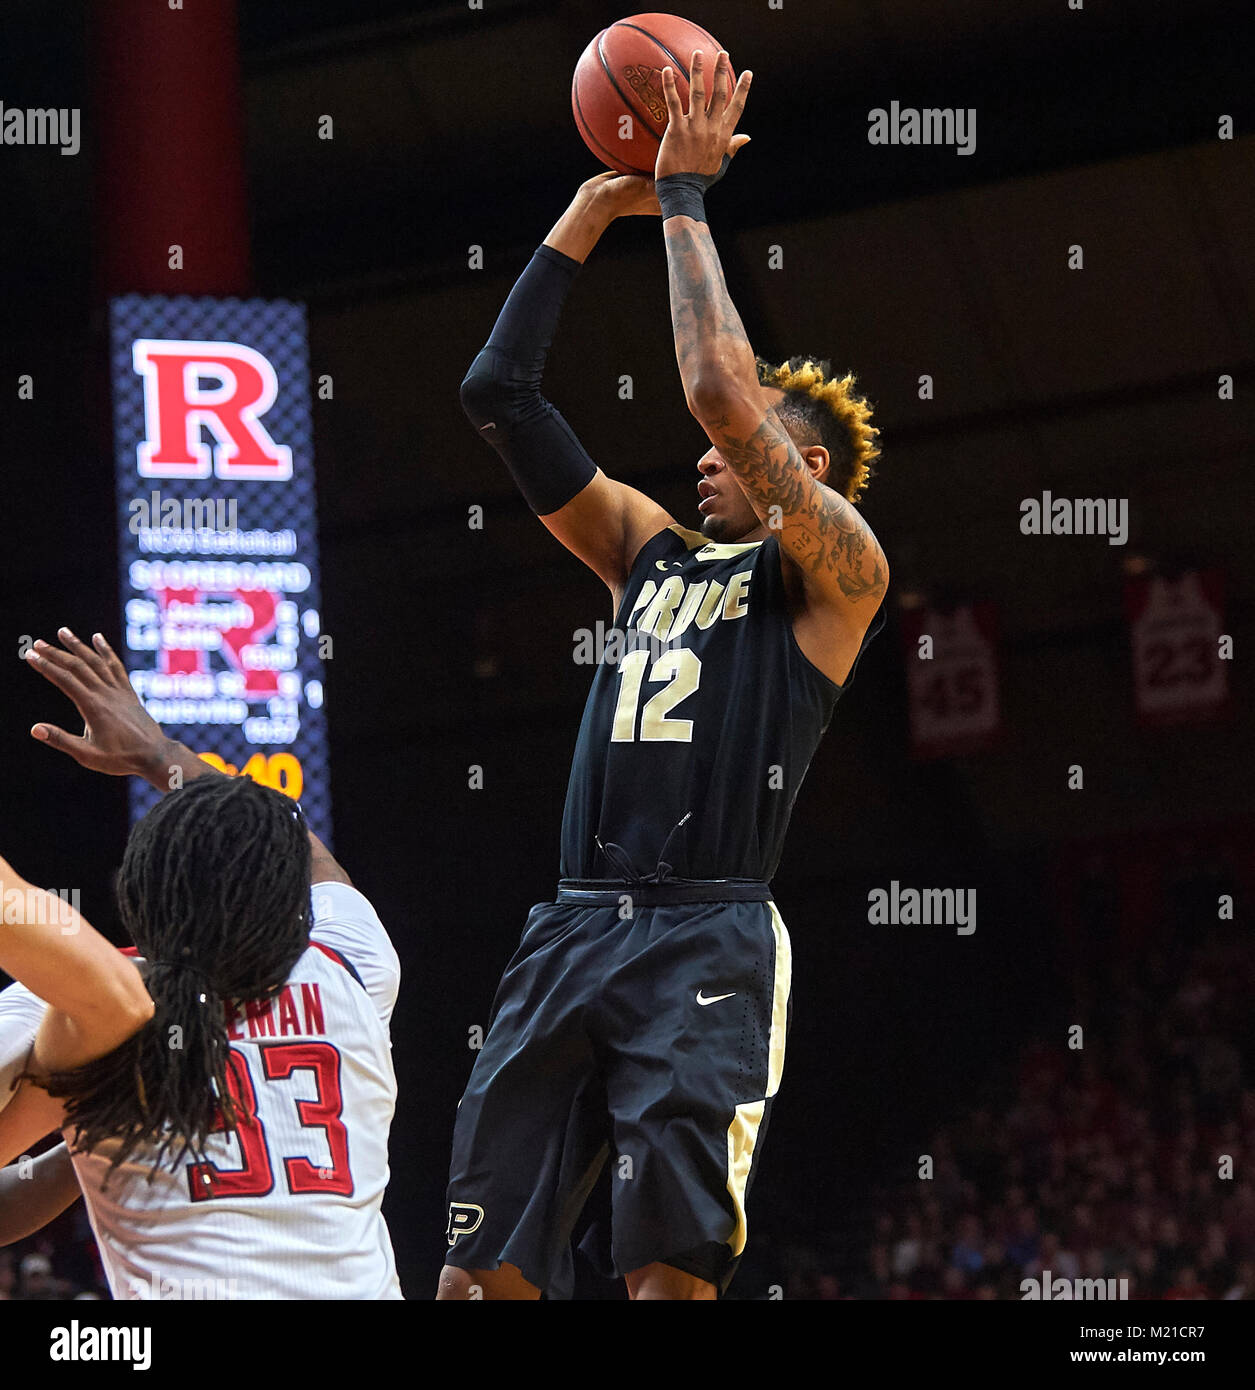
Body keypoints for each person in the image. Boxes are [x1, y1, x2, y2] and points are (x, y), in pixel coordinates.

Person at [439, 50, 888, 1300]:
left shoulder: (835, 572)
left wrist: (684, 199)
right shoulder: (645, 549)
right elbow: (498, 393)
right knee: (477, 1276)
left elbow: (712, 383)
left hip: (708, 929)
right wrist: (590, 212)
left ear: (800, 469)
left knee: (663, 1281)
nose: (701, 457)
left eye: (736, 452)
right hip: (574, 917)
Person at [0, 628, 403, 1299]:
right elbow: (316, 864)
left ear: (137, 892)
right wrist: (164, 756)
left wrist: (90, 1122)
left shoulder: (83, 996)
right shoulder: (350, 972)